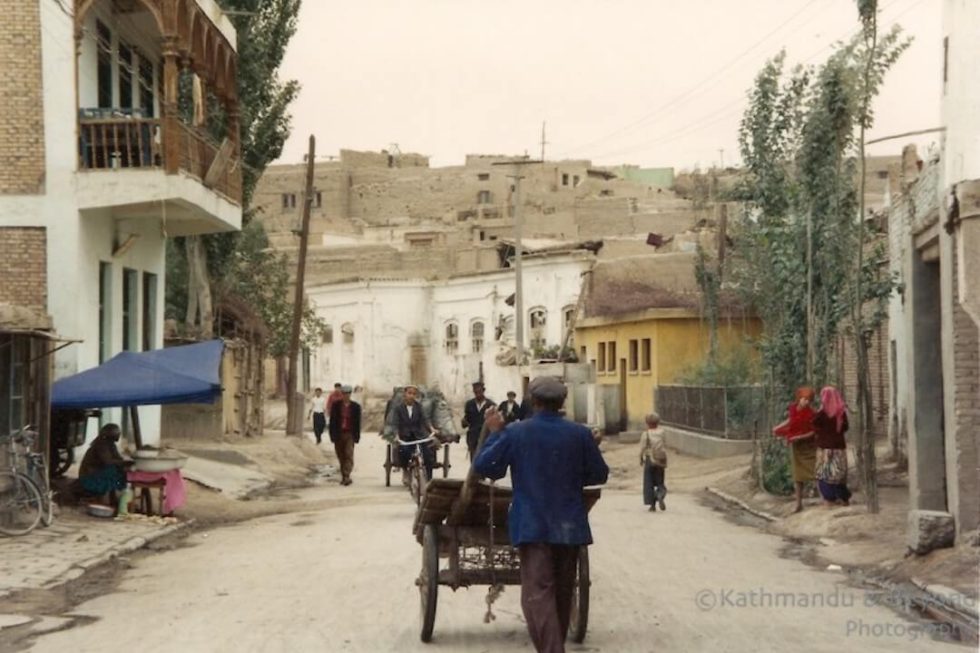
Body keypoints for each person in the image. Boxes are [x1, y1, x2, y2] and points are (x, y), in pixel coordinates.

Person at [474, 376, 609, 653]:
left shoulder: (516, 432)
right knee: (561, 593)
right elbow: (599, 474)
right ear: (562, 402)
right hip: (570, 526)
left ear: (532, 401)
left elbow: (486, 467)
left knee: (537, 595)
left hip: (532, 526)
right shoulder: (580, 434)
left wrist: (496, 432)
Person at [773, 386, 817, 513]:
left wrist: (800, 437)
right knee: (797, 476)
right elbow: (790, 420)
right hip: (796, 446)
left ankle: (826, 499)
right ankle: (798, 504)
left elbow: (813, 432)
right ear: (799, 398)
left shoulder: (812, 414)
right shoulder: (793, 408)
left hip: (808, 447)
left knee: (816, 473)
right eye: (804, 399)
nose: (806, 402)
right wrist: (778, 427)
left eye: (808, 400)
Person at [813, 385, 852, 507]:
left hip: (825, 449)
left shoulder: (822, 413)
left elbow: (814, 424)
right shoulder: (841, 412)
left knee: (824, 474)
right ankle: (843, 498)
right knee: (838, 474)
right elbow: (845, 427)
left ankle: (829, 499)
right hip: (838, 448)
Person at [78, 423, 132, 506]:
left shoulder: (111, 444)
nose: (119, 434)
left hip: (96, 472)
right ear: (111, 434)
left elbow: (118, 458)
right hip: (89, 476)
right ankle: (107, 498)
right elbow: (107, 461)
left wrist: (125, 462)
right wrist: (124, 463)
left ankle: (113, 498)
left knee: (120, 471)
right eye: (117, 433)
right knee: (112, 471)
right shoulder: (101, 445)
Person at [395, 385, 438, 484]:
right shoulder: (399, 408)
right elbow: (395, 423)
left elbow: (425, 419)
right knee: (404, 451)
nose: (411, 396)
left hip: (418, 435)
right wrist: (396, 435)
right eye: (409, 393)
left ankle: (429, 478)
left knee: (428, 453)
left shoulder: (419, 407)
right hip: (405, 436)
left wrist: (432, 429)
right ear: (405, 394)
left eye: (414, 394)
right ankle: (405, 471)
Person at [329, 385, 361, 486]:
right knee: (341, 455)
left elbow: (358, 423)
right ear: (342, 394)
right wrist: (332, 435)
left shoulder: (356, 407)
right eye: (344, 394)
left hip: (350, 434)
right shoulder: (336, 406)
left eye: (348, 394)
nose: (346, 396)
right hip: (338, 434)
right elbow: (332, 421)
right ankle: (344, 475)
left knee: (348, 454)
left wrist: (357, 436)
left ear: (350, 394)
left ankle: (347, 475)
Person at [638, 413, 668, 512]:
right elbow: (665, 444)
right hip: (660, 459)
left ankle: (652, 505)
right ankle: (660, 494)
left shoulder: (646, 434)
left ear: (647, 423)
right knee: (660, 481)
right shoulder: (662, 432)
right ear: (658, 422)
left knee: (649, 483)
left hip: (649, 459)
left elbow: (642, 448)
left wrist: (640, 458)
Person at [462, 381, 495, 458]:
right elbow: (467, 419)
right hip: (473, 437)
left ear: (483, 391)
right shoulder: (469, 404)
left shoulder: (490, 404)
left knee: (485, 458)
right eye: (475, 392)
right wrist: (464, 422)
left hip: (486, 437)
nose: (477, 394)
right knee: (474, 459)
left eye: (479, 391)